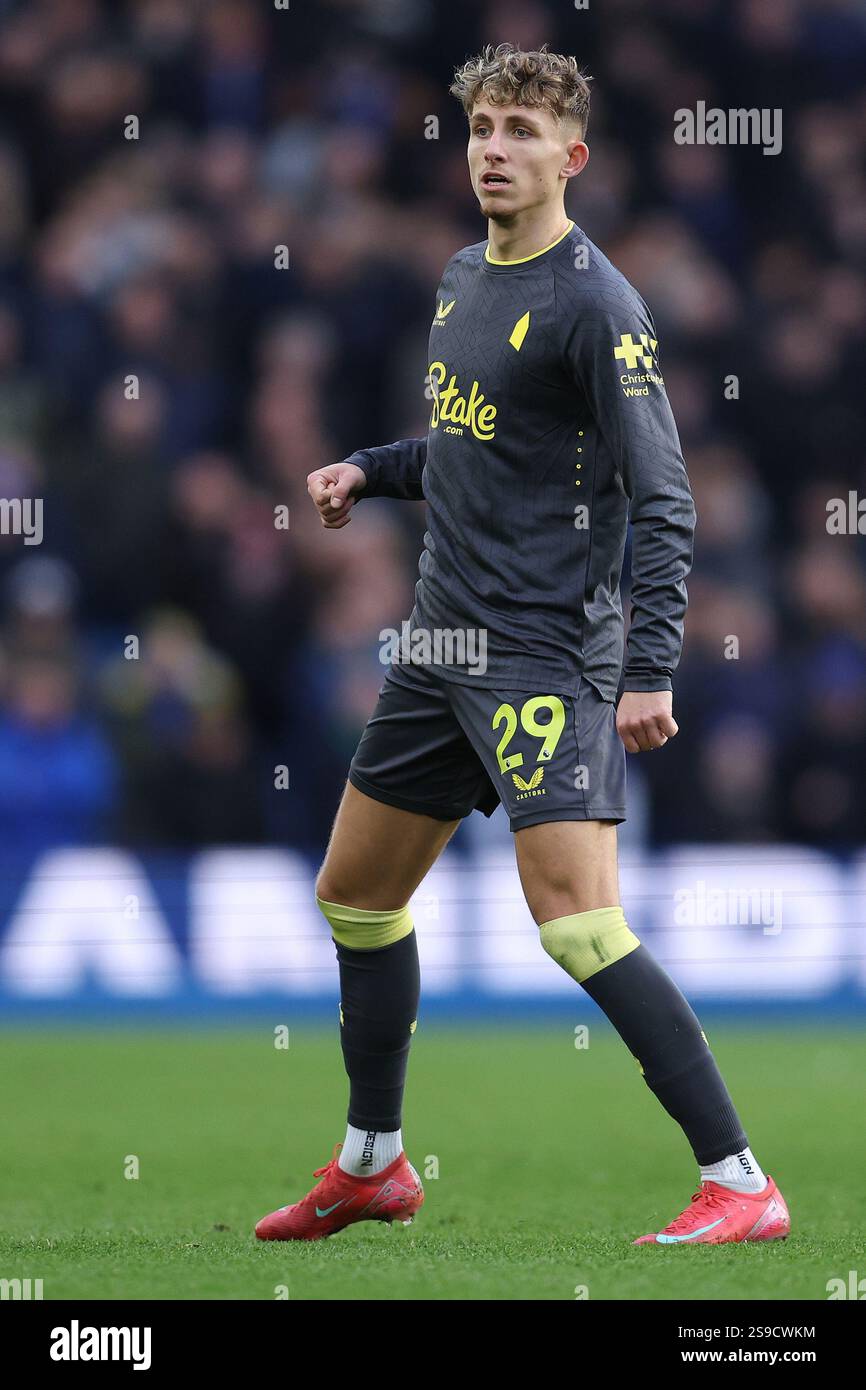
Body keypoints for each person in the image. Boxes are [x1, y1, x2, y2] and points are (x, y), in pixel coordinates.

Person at [255, 43, 789, 1247]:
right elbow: (464, 442)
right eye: (481, 127)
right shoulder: (460, 274)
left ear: (571, 157)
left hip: (544, 652)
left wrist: (649, 664)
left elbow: (664, 497)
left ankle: (740, 1178)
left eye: (519, 133)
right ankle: (374, 1163)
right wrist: (370, 471)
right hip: (438, 642)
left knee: (574, 922)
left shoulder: (598, 303)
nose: (492, 149)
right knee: (354, 896)